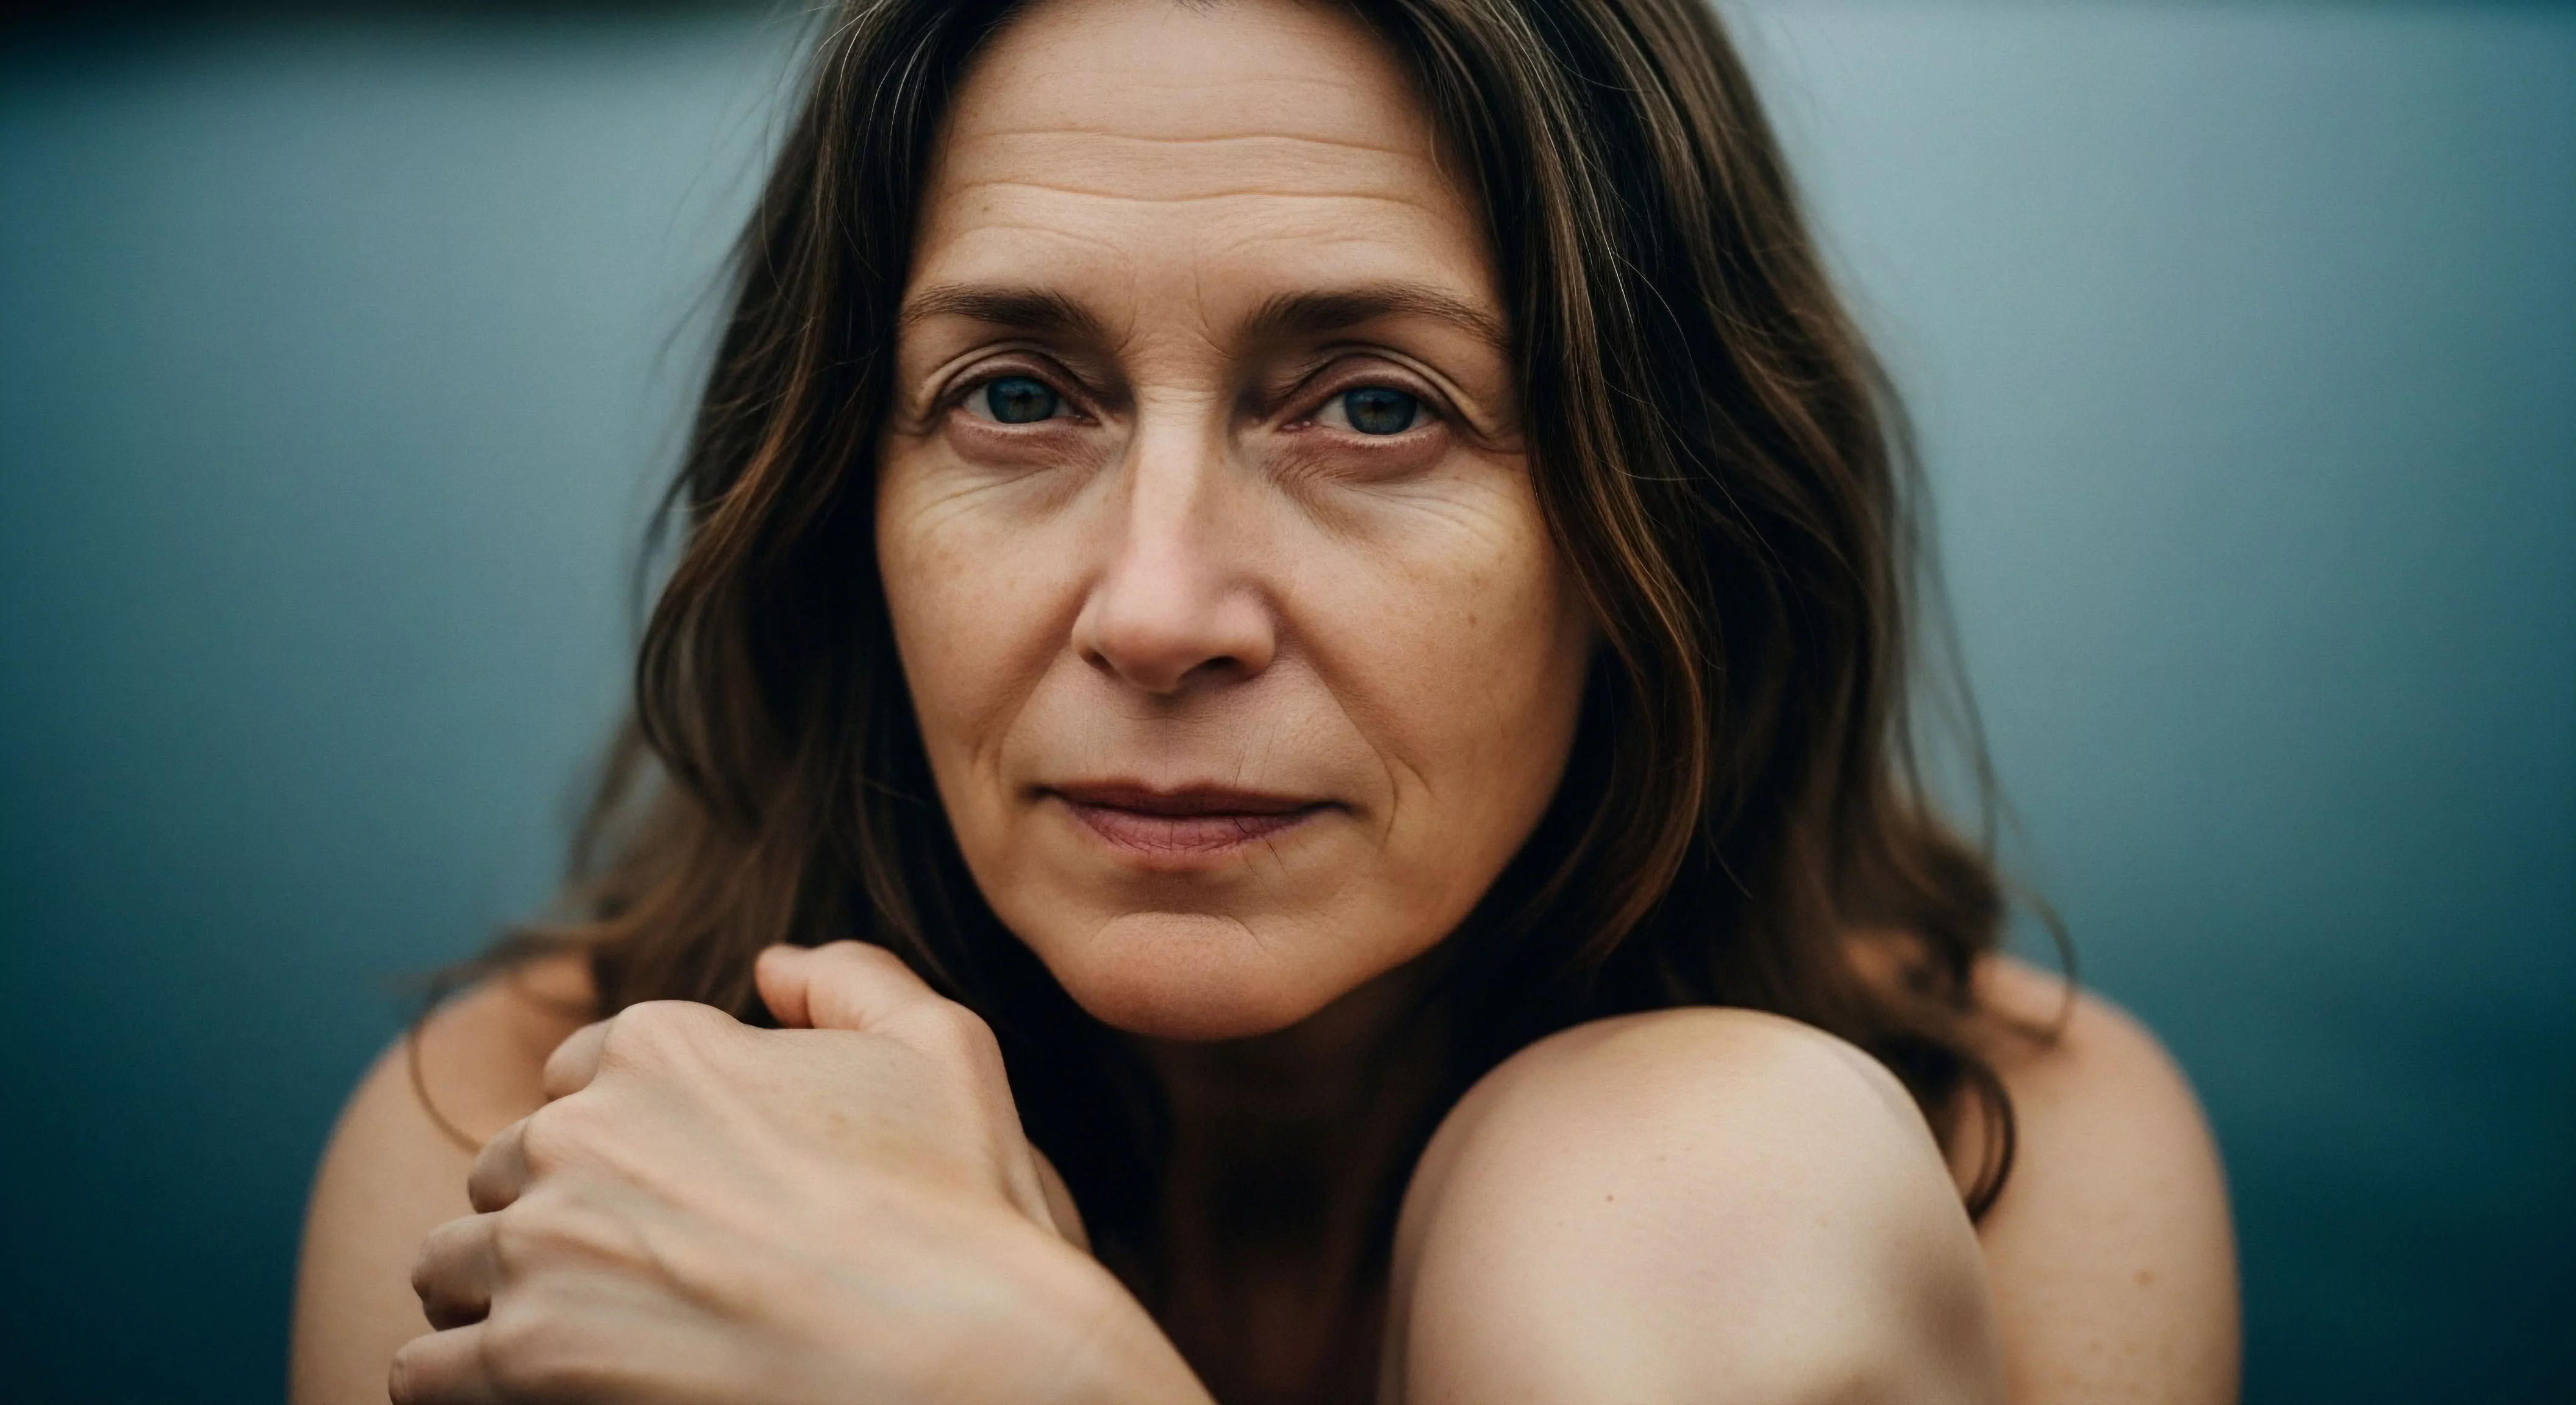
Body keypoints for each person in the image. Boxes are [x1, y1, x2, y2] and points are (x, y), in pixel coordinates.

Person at [291, 0, 2239, 1400]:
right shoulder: (548, 1162)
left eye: (1376, 406)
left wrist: (1019, 1373)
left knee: (1711, 1175)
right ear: (843, 500)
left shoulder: (2016, 1158)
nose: (1156, 611)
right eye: (1015, 396)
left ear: (1672, 513)